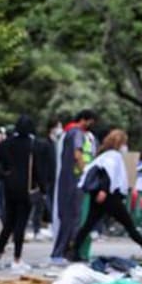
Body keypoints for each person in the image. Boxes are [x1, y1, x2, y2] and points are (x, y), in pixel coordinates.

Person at [69, 129, 142, 259]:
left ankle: (74, 250)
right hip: (109, 196)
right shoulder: (113, 155)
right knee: (128, 224)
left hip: (100, 195)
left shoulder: (103, 154)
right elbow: (108, 174)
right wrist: (104, 190)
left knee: (89, 224)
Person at [0, 115, 42, 272]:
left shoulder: (7, 143)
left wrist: (0, 174)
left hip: (9, 186)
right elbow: (37, 168)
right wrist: (42, 188)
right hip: (26, 188)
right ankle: (17, 259)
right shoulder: (32, 145)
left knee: (9, 222)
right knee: (21, 224)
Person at [51, 109, 97, 264]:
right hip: (75, 180)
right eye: (91, 121)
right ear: (85, 119)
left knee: (71, 217)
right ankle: (62, 252)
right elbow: (78, 154)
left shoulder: (69, 133)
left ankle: (66, 252)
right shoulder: (77, 133)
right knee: (72, 217)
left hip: (70, 179)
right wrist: (85, 171)